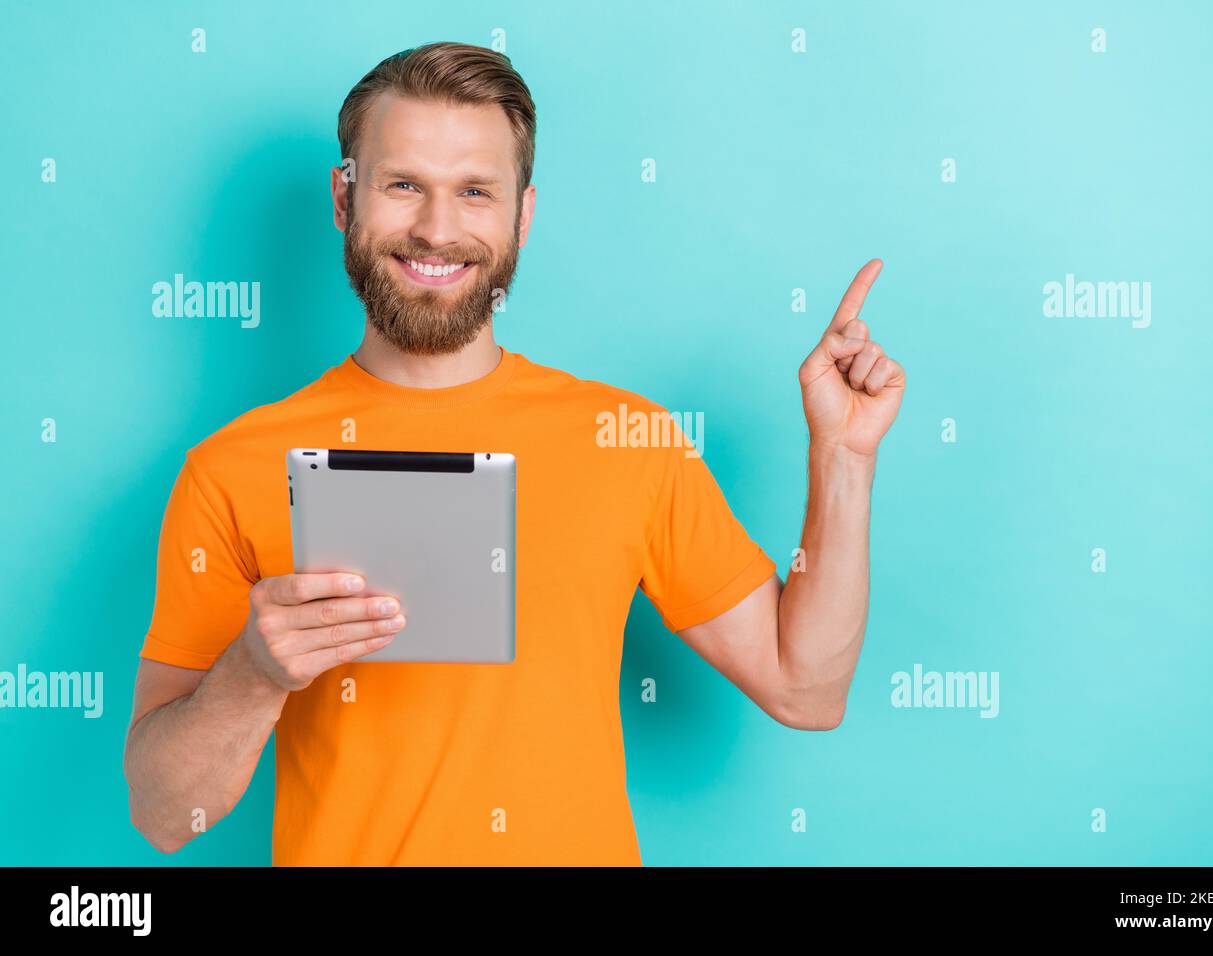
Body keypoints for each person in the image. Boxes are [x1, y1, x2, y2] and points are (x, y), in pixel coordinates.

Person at [123, 41, 906, 866]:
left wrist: (845, 458)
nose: (436, 228)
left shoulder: (627, 440)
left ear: (522, 216)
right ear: (343, 198)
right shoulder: (232, 468)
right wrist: (254, 672)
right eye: (401, 185)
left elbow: (807, 688)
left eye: (473, 191)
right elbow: (169, 817)